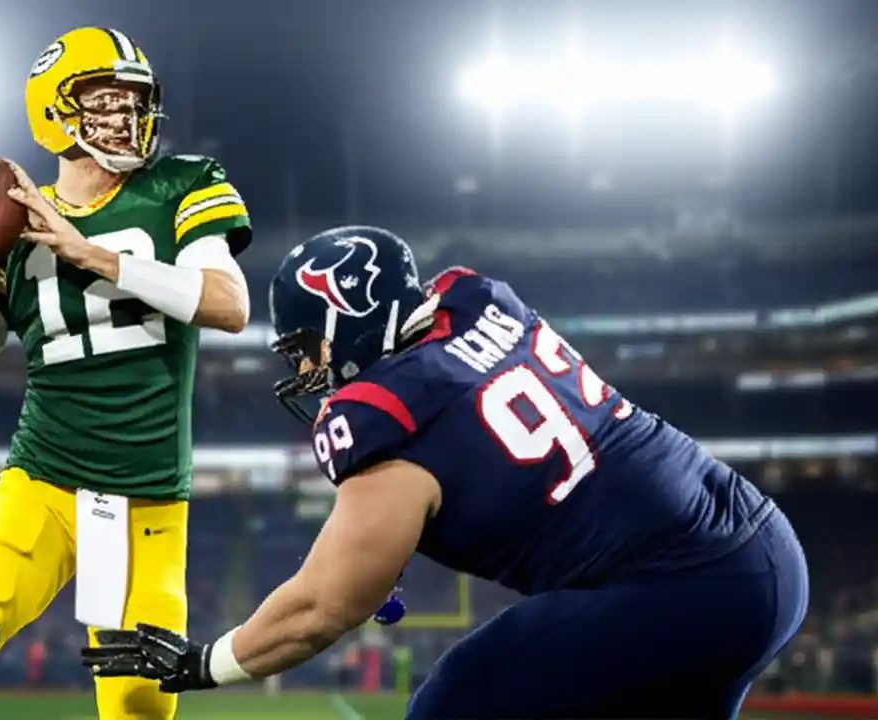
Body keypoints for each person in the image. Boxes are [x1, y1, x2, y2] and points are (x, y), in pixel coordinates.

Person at [82, 225, 808, 719]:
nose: (307, 370)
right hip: (764, 551)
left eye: (307, 346)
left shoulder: (386, 416)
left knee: (461, 693)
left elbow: (321, 609)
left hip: (684, 586)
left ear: (353, 316)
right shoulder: (479, 302)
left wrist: (202, 664)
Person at [0, 26, 252, 720]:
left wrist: (93, 255)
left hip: (148, 498)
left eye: (133, 102)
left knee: (138, 706)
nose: (127, 118)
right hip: (44, 481)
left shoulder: (183, 185)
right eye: (106, 102)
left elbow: (228, 304)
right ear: (54, 111)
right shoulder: (11, 228)